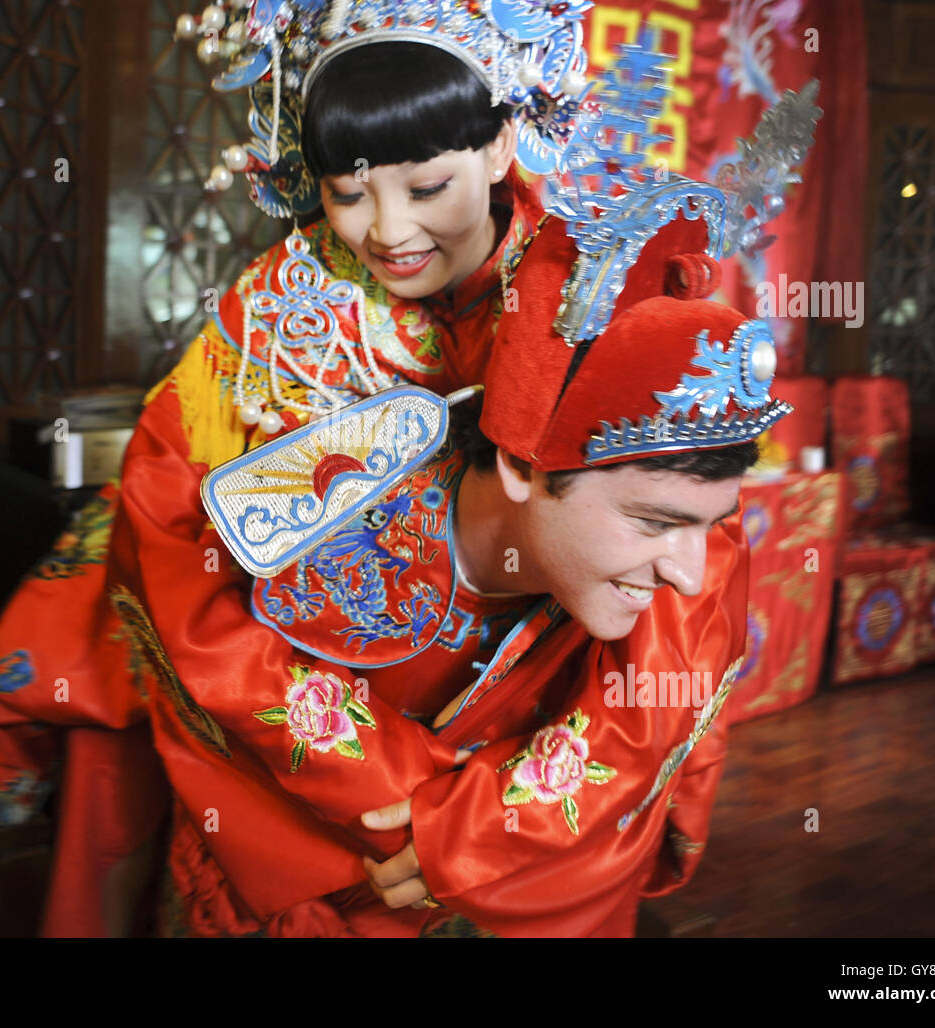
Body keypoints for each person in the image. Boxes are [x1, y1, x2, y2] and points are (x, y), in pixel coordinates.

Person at [0, 0, 593, 936]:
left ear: (498, 147)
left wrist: (482, 800)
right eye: (348, 192)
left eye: (426, 186)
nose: (387, 231)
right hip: (288, 707)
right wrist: (361, 762)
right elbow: (173, 526)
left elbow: (659, 547)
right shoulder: (279, 306)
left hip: (515, 716)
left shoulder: (580, 294)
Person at [140, 197, 792, 936]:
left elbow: (656, 705)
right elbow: (214, 646)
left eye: (713, 522)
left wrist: (488, 831)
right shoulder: (341, 493)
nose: (694, 576)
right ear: (520, 463)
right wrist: (415, 819)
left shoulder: (660, 526)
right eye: (655, 523)